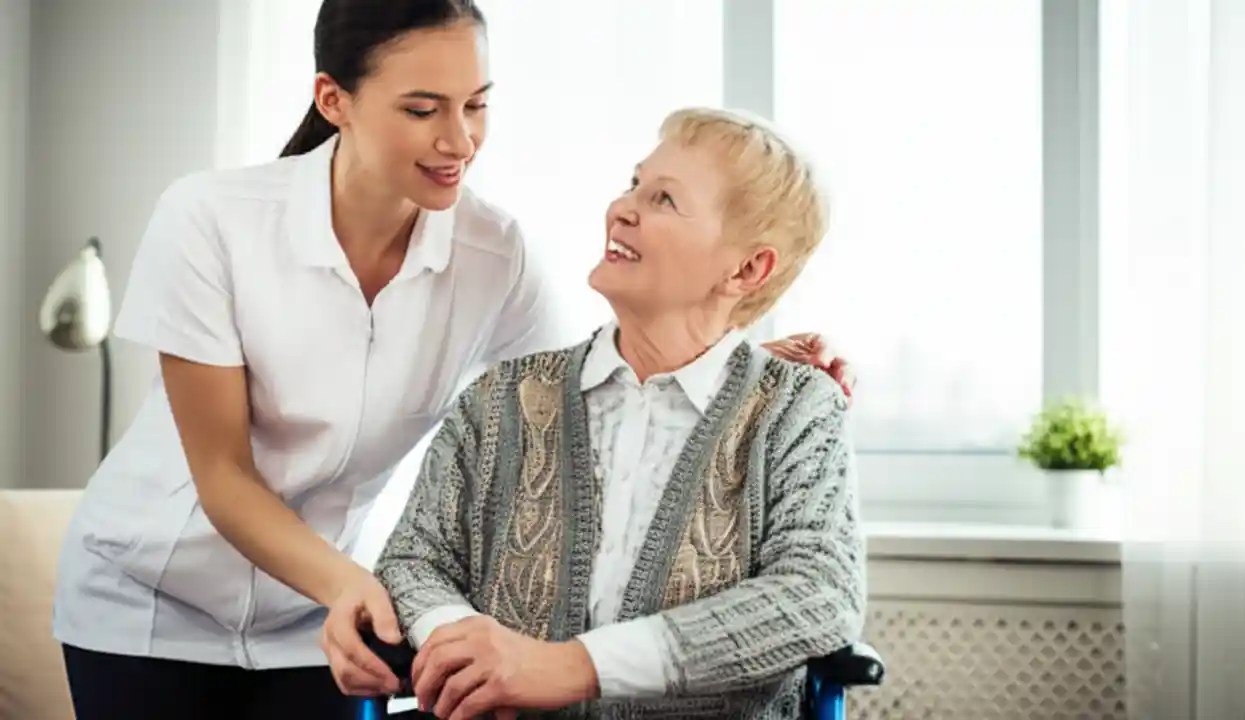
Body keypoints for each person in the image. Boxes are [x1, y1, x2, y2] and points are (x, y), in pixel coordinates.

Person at [50, 2, 851, 718]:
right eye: (423, 109)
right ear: (335, 101)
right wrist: (358, 588)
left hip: (321, 626)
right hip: (153, 602)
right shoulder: (211, 218)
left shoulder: (493, 253)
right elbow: (222, 475)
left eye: (477, 105)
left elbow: (597, 381)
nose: (460, 139)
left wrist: (740, 364)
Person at [375, 107, 865, 719]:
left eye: (663, 199)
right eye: (633, 184)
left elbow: (818, 596)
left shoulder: (796, 408)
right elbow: (414, 559)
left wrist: (570, 668)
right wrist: (467, 649)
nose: (622, 208)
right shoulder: (501, 398)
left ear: (747, 268)